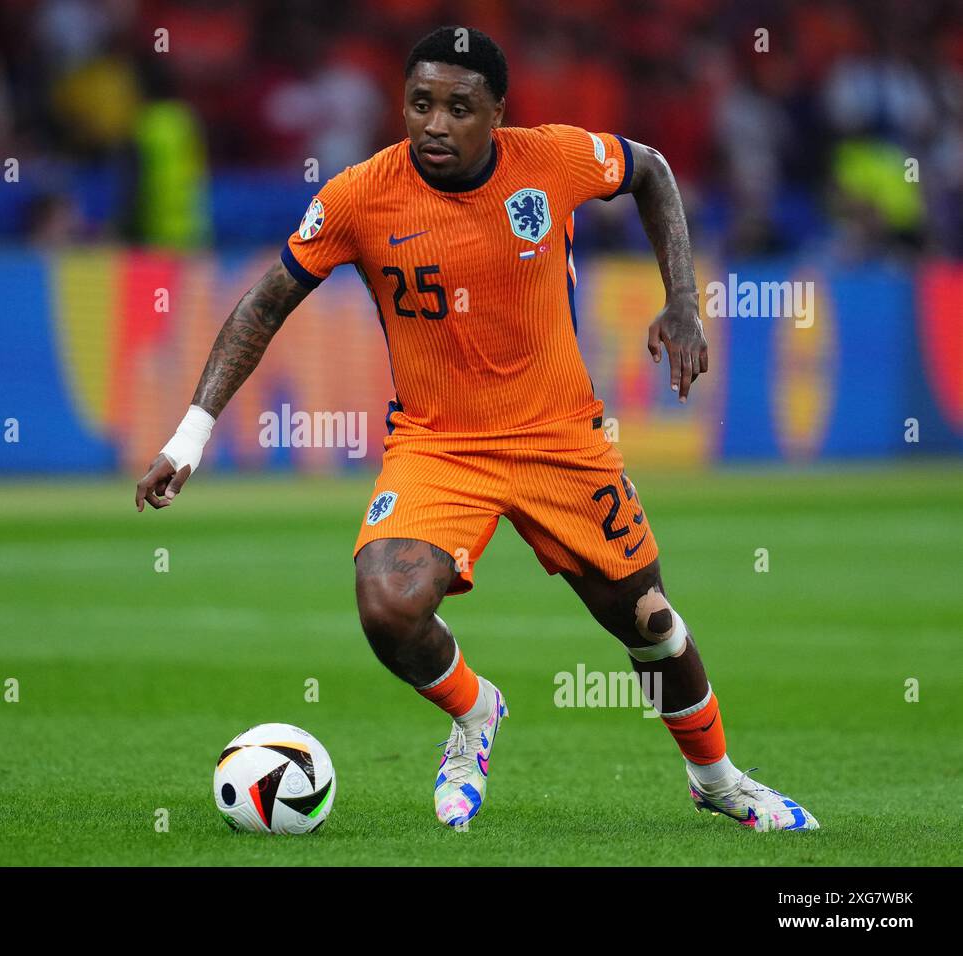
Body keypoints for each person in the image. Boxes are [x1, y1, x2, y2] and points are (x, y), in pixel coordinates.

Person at [136, 26, 818, 832]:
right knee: (387, 605)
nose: (435, 124)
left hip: (560, 438)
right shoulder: (359, 195)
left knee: (650, 625)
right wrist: (191, 431)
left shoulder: (555, 160)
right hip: (438, 444)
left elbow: (654, 173)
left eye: (459, 107)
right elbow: (265, 301)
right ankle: (474, 714)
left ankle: (718, 780)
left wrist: (682, 297)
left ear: (498, 112)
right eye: (420, 103)